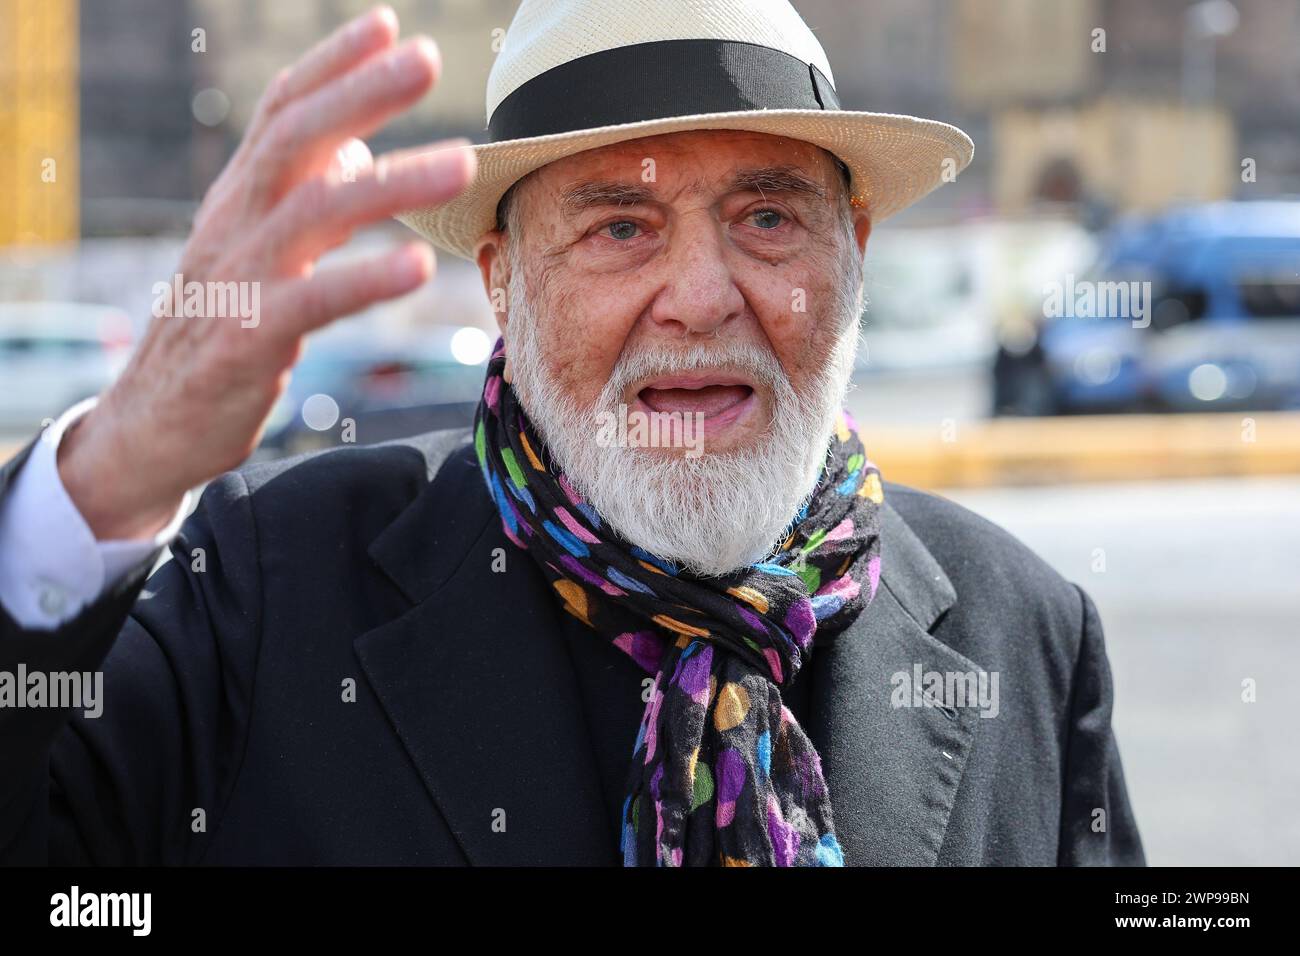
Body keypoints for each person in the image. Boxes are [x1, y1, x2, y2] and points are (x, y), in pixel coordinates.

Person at [0, 0, 1143, 866]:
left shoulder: (1023, 637)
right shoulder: (264, 591)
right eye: (618, 226)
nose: (701, 294)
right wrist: (108, 479)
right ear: (501, 282)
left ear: (852, 252)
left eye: (764, 217)